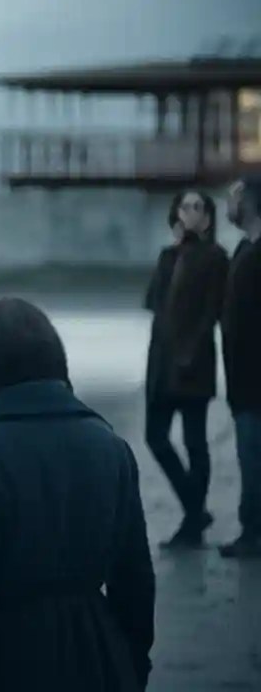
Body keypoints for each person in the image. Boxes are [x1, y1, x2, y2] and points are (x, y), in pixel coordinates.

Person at [0, 298, 155, 692]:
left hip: (5, 661)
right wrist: (130, 666)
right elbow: (135, 583)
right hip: (98, 655)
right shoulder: (109, 446)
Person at [143, 190, 229, 548]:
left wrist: (189, 354)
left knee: (195, 442)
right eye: (186, 206)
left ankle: (192, 523)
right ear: (175, 213)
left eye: (199, 207)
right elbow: (152, 303)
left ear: (208, 218)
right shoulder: (168, 256)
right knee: (155, 437)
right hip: (161, 363)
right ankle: (196, 510)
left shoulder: (216, 257)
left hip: (194, 363)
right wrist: (176, 250)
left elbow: (212, 313)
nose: (192, 212)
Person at [221, 176, 261, 558]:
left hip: (254, 385)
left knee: (254, 461)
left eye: (233, 197)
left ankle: (254, 532)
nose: (227, 204)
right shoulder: (243, 250)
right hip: (243, 384)